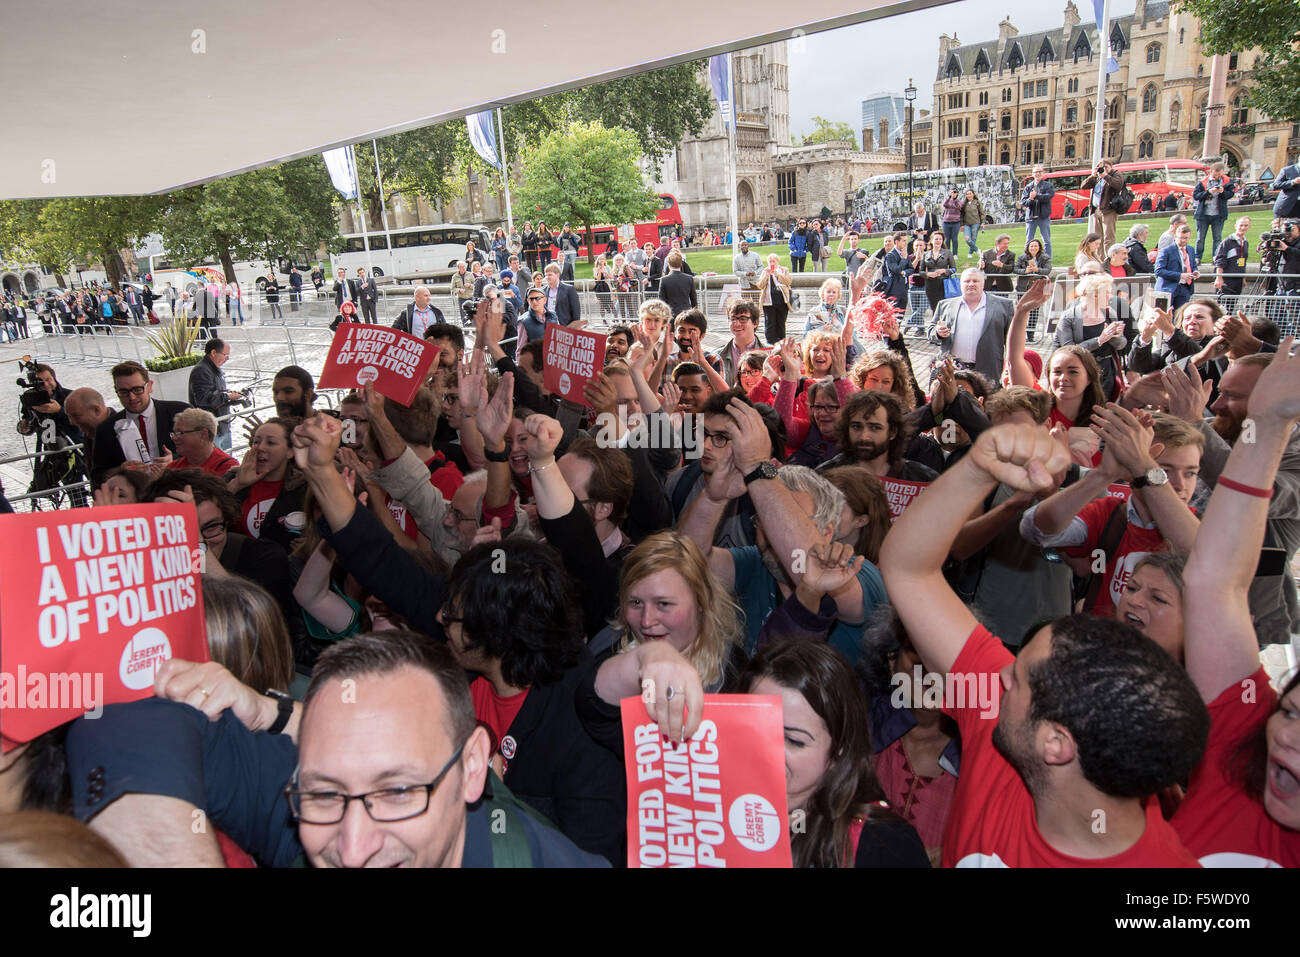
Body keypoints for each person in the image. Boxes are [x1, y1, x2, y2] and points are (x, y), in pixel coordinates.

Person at [880, 421, 1210, 867]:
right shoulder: (1004, 720)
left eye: (1017, 679)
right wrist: (978, 469)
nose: (997, 676)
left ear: (1055, 743)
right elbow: (908, 566)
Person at [1167, 342, 1300, 866]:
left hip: (1259, 626)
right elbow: (1212, 582)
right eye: (1288, 711)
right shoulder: (1245, 756)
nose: (1288, 738)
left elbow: (1220, 570)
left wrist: (1265, 428)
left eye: (1235, 398)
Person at [737, 638, 929, 867]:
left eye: (793, 740)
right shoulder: (708, 812)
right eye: (756, 729)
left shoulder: (884, 845)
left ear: (840, 749)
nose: (767, 752)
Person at [1021, 411, 1203, 617]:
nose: (1181, 486)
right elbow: (1034, 529)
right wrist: (1103, 474)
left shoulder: (1202, 525)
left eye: (1190, 473)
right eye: (1165, 471)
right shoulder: (1109, 514)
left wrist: (1144, 465)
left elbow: (1199, 555)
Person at [91, 361, 190, 488]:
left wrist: (174, 462)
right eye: (124, 392)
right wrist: (120, 471)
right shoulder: (106, 429)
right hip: (137, 499)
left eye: (137, 390)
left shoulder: (180, 412)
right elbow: (97, 476)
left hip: (179, 489)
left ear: (150, 386)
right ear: (116, 391)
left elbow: (203, 450)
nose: (132, 397)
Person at [816, 390, 937, 483]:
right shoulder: (825, 477)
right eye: (856, 427)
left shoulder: (922, 480)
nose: (864, 436)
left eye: (874, 428)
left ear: (892, 432)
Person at [928, 267, 1015, 383]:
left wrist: (1010, 367)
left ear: (983, 283)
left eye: (975, 281)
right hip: (954, 370)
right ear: (960, 284)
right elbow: (930, 332)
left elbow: (1012, 341)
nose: (971, 284)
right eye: (967, 281)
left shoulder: (1004, 306)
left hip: (988, 370)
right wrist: (938, 332)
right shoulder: (944, 305)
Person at [1054, 273, 1131, 401]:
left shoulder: (1109, 313)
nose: (1111, 296)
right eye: (1107, 292)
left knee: (1105, 410)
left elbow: (1121, 345)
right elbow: (1069, 350)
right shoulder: (1069, 317)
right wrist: (1099, 340)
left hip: (1107, 373)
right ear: (1094, 295)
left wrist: (1116, 336)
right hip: (1081, 373)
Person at [188, 338, 244, 451]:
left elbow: (216, 392)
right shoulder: (202, 370)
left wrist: (230, 396)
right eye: (225, 355)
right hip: (211, 428)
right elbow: (202, 399)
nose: (227, 358)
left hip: (222, 425)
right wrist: (227, 396)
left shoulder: (214, 369)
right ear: (213, 353)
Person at [167, 408, 238, 476]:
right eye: (174, 433)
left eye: (180, 433)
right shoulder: (172, 468)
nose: (174, 438)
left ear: (203, 434)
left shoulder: (228, 468)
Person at [1191, 161, 1235, 261]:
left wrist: (1222, 192)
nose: (1217, 177)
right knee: (1200, 238)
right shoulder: (1203, 182)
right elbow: (1196, 196)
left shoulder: (1227, 181)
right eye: (1215, 174)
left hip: (1218, 215)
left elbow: (1230, 195)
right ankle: (1198, 257)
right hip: (1203, 214)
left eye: (1219, 175)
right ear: (1211, 172)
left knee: (1217, 238)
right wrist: (1208, 192)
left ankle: (1216, 257)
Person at [1155, 223, 1201, 311]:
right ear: (1175, 236)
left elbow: (1193, 265)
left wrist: (1196, 272)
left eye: (1186, 238)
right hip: (1168, 288)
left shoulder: (1191, 249)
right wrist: (1180, 275)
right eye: (1181, 238)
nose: (1183, 240)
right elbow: (1159, 271)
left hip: (1184, 288)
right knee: (1164, 316)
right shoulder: (1166, 251)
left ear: (1190, 237)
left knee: (1180, 317)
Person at [1082, 158, 1126, 248]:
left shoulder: (1116, 174)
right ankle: (1100, 259)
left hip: (1108, 210)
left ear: (1111, 167)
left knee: (1108, 238)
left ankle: (1109, 259)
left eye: (1106, 167)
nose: (1104, 169)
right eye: (1101, 167)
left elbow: (1118, 185)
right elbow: (1083, 186)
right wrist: (1093, 176)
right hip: (1097, 210)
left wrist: (1106, 176)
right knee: (1098, 239)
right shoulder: (1098, 177)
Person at [1213, 215, 1252, 313]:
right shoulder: (1227, 242)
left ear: (1249, 227)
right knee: (1222, 307)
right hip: (1227, 278)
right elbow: (1220, 260)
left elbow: (1243, 261)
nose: (1243, 228)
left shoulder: (1245, 242)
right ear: (1236, 226)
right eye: (1241, 225)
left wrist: (1243, 278)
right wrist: (1219, 277)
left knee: (1232, 305)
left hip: (1238, 278)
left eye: (1246, 225)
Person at [1021, 164, 1056, 258]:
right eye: (1036, 172)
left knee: (1046, 241)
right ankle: (1027, 260)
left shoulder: (1048, 186)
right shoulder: (1028, 187)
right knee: (1028, 241)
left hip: (1043, 217)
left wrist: (1037, 196)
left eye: (1040, 172)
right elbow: (1024, 202)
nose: (1038, 174)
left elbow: (1048, 197)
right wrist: (1031, 199)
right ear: (1032, 174)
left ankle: (1048, 260)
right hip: (1031, 218)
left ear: (1043, 173)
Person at [757, 253, 792, 343]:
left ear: (777, 261)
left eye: (774, 261)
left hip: (782, 300)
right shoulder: (765, 271)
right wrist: (766, 276)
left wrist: (778, 275)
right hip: (768, 301)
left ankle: (781, 340)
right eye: (770, 261)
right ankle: (770, 341)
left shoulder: (784, 270)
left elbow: (788, 281)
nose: (772, 263)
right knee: (770, 323)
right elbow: (760, 285)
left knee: (781, 322)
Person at [921, 232, 957, 316]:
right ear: (931, 240)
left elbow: (954, 269)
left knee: (943, 307)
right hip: (930, 284)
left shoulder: (947, 253)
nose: (938, 241)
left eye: (940, 239)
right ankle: (935, 326)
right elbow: (921, 271)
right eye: (936, 239)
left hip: (943, 283)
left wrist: (944, 271)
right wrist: (928, 274)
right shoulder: (926, 254)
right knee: (934, 308)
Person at [658, 250, 696, 318]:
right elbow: (693, 299)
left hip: (671, 314)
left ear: (669, 264)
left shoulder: (664, 280)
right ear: (681, 264)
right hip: (686, 313)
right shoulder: (689, 278)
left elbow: (661, 301)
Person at [959, 189, 985, 258]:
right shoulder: (964, 204)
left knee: (973, 238)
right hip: (967, 224)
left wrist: (983, 222)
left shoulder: (977, 202)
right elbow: (961, 215)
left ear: (973, 194)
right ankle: (977, 250)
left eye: (970, 193)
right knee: (967, 239)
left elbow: (982, 213)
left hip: (976, 223)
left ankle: (970, 253)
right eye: (967, 194)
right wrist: (961, 224)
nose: (969, 195)